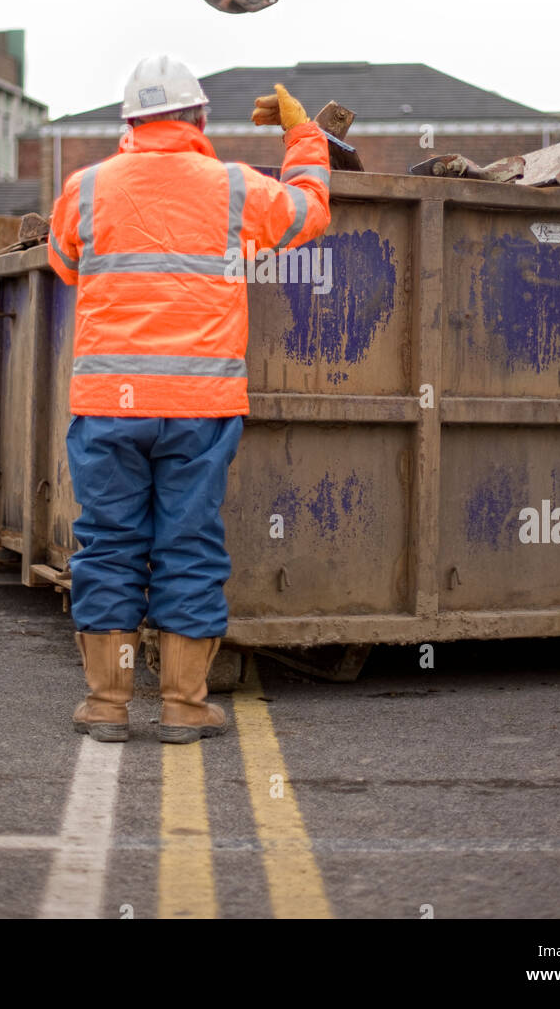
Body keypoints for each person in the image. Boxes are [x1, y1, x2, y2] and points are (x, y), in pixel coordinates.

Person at [48, 55, 330, 742]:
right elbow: (307, 214)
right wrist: (304, 137)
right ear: (200, 119)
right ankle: (182, 706)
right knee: (188, 544)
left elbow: (63, 262)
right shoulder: (235, 188)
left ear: (130, 125)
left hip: (110, 405)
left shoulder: (86, 188)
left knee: (109, 545)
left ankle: (109, 705)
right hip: (201, 406)